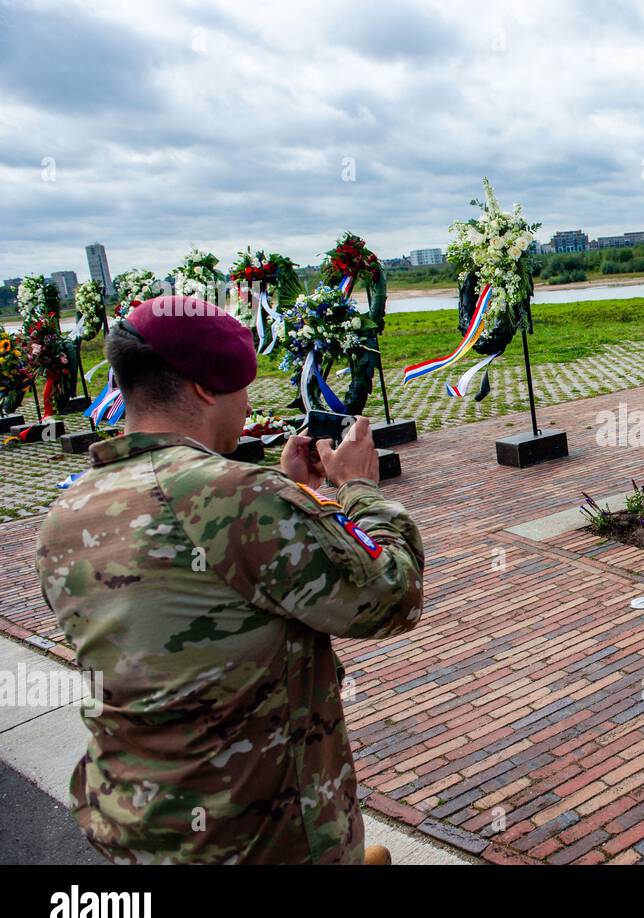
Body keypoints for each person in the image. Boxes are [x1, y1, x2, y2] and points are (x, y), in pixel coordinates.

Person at [35, 296, 425, 864]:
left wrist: (288, 494)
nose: (247, 406)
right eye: (243, 389)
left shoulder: (66, 513)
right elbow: (394, 596)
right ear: (203, 387)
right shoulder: (246, 499)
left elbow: (194, 578)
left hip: (134, 819)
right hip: (259, 835)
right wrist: (360, 489)